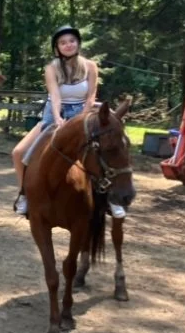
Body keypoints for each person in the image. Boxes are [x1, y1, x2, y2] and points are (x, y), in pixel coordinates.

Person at [11, 25, 126, 219]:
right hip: (56, 110)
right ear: (57, 48)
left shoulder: (90, 66)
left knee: (107, 148)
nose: (68, 45)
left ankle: (113, 199)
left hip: (84, 109)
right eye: (63, 42)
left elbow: (91, 96)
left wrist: (82, 117)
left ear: (78, 43)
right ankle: (25, 195)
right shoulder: (51, 68)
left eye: (71, 41)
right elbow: (55, 96)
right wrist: (57, 118)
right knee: (19, 152)